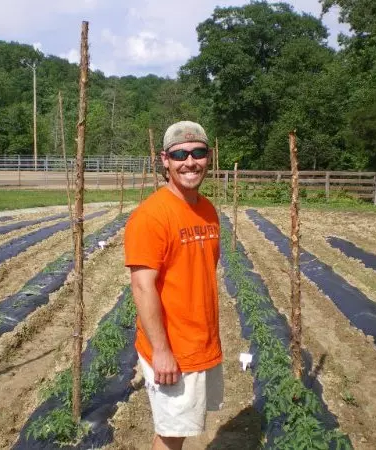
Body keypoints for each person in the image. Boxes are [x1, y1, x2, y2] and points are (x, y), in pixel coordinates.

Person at [124, 121, 223, 450]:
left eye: (198, 152)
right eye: (180, 154)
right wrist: (163, 352)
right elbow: (142, 287)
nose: (190, 162)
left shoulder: (208, 211)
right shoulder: (151, 216)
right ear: (164, 159)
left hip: (201, 342)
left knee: (179, 430)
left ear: (208, 157)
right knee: (170, 434)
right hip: (173, 350)